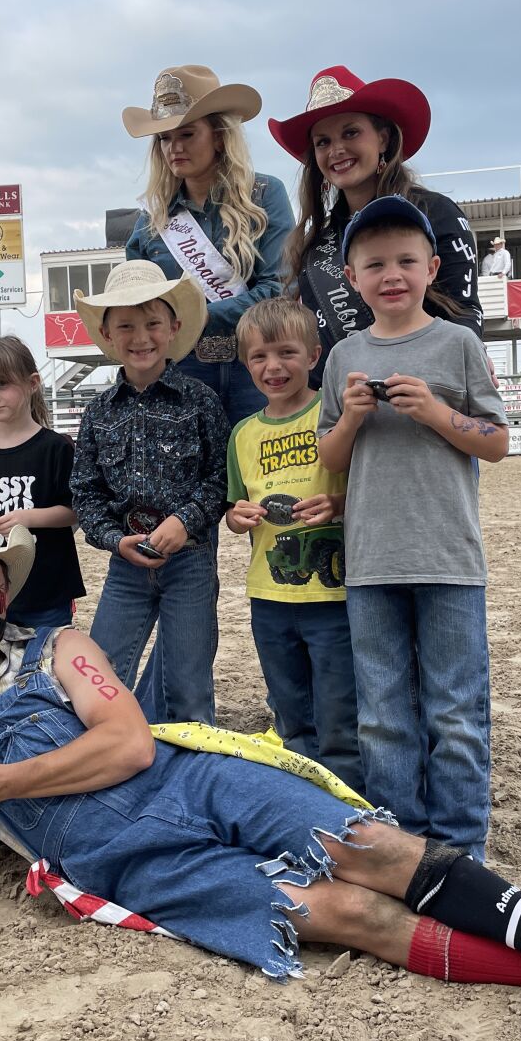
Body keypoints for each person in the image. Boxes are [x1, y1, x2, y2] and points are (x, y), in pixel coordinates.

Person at [0, 512, 521, 1036]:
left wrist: (5, 785)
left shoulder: (61, 647)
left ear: (6, 590)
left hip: (181, 780)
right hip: (128, 862)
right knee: (347, 912)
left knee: (369, 845)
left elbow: (127, 745)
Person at [317, 197, 509, 860]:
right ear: (350, 275)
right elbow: (331, 459)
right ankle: (403, 846)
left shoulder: (458, 344)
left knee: (455, 714)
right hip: (370, 562)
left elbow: (497, 441)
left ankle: (461, 849)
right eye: (374, 263)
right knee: (383, 717)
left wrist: (433, 411)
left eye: (405, 260)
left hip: (450, 560)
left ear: (433, 267)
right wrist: (349, 420)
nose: (390, 273)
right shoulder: (343, 356)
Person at [69, 262, 228, 725]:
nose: (141, 337)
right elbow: (86, 492)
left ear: (174, 327)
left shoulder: (200, 401)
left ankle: (191, 784)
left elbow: (220, 478)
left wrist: (185, 521)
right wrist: (112, 539)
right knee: (102, 676)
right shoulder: (98, 412)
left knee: (189, 686)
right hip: (126, 565)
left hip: (191, 560)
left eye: (153, 323)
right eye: (127, 326)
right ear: (108, 333)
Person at [224, 298, 361, 793]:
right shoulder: (242, 433)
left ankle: (347, 799)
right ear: (245, 363)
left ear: (314, 354)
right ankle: (304, 796)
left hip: (333, 594)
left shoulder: (335, 413)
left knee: (340, 710)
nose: (273, 366)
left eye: (286, 352)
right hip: (269, 597)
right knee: (290, 709)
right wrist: (236, 517)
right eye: (259, 356)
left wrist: (339, 504)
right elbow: (236, 509)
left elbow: (367, 487)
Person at [270, 67, 483, 385]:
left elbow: (465, 314)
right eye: (323, 142)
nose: (336, 149)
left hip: (430, 394)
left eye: (351, 132)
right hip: (349, 412)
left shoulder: (436, 212)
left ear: (383, 138)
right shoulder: (316, 244)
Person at [122, 65, 292, 424]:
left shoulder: (265, 195)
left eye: (186, 134)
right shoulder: (150, 222)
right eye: (165, 139)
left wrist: (187, 319)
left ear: (218, 136)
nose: (174, 148)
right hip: (181, 369)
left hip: (257, 363)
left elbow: (277, 290)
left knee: (258, 475)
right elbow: (136, 304)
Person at [0, 336, 85, 629]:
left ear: (32, 383)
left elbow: (75, 510)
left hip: (48, 588)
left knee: (46, 669)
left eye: (2, 384)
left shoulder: (56, 448)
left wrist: (28, 518)